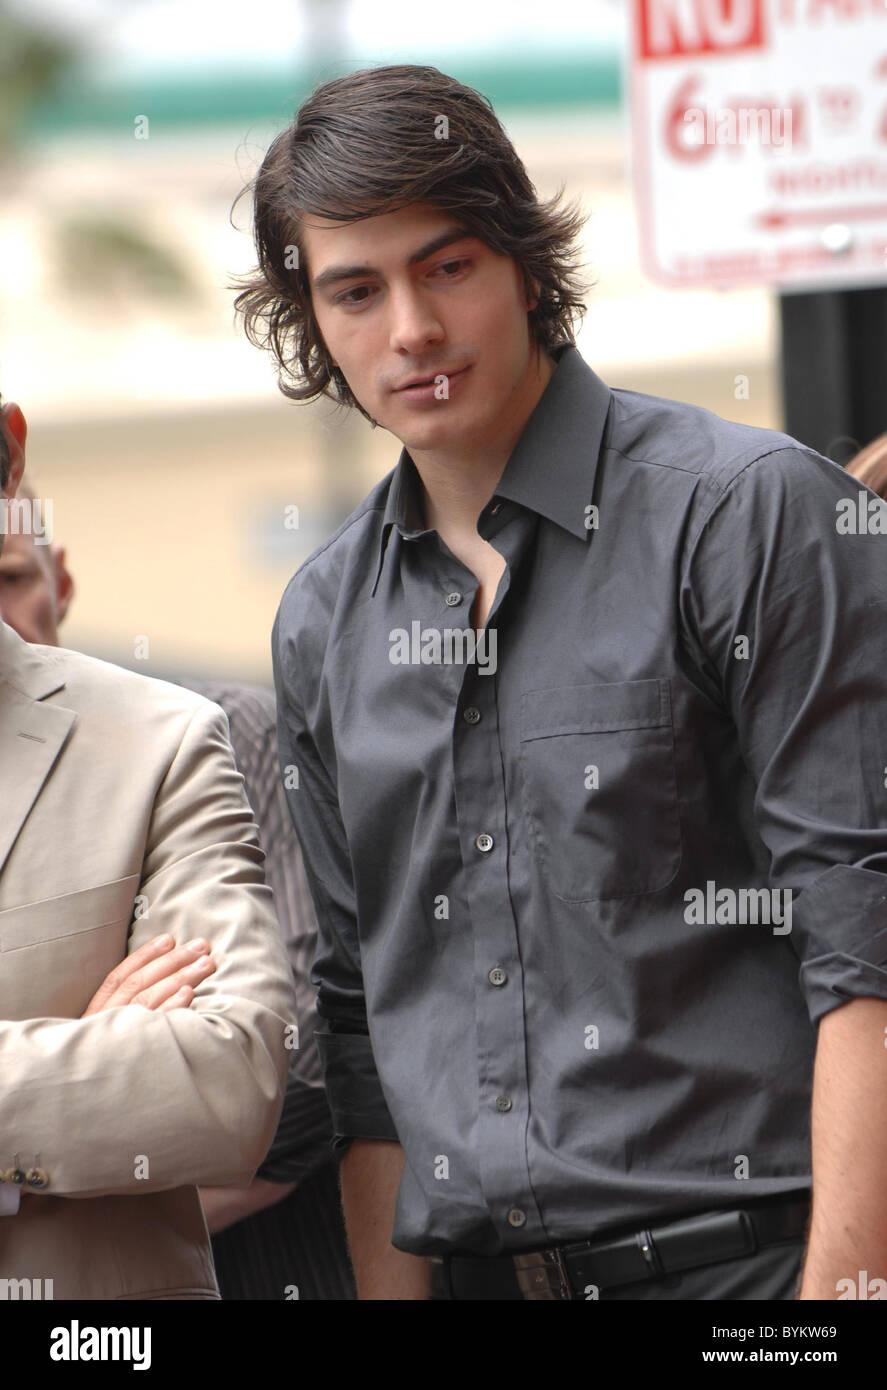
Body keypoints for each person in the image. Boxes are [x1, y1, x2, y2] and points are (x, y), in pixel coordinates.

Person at [240, 64, 887, 1300]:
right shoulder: (322, 621)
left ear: (526, 264)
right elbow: (362, 1023)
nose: (412, 332)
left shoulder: (746, 516)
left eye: (448, 266)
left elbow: (864, 938)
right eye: (355, 292)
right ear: (309, 322)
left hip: (753, 1275)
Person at [0, 487, 356, 1301]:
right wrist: (91, 1088)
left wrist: (124, 1136)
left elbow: (257, 1076)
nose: (6, 609)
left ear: (62, 578)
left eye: (13, 575)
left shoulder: (187, 739)